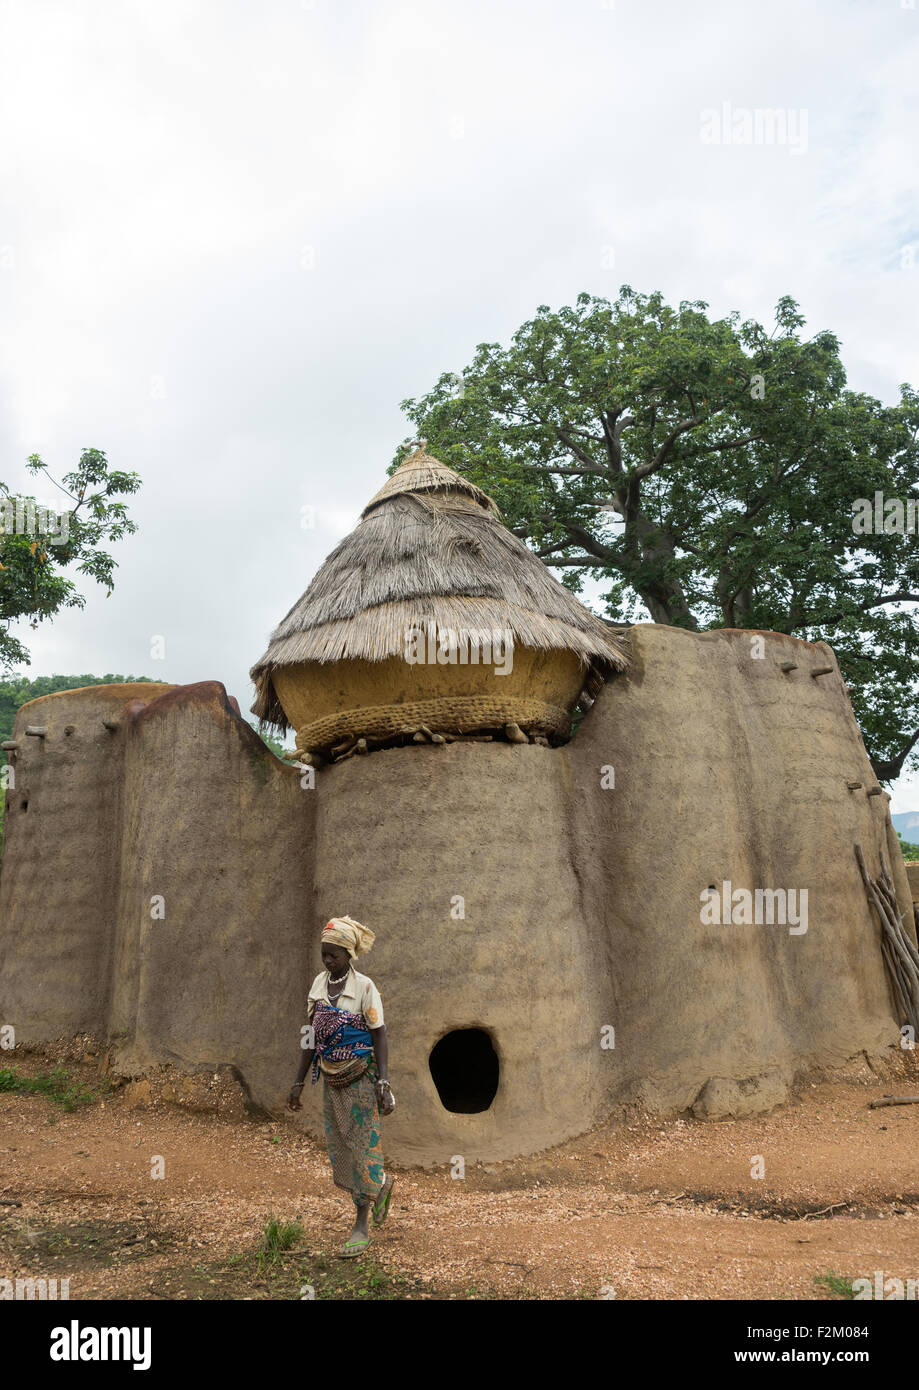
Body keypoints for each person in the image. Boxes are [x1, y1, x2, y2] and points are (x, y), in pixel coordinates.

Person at [286, 915, 396, 1257]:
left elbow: (379, 1034)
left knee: (362, 1147)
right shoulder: (318, 987)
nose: (328, 960)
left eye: (334, 955)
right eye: (325, 954)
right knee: (344, 1149)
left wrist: (383, 1080)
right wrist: (297, 1082)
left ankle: (360, 1225)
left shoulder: (364, 987)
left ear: (349, 954)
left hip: (360, 1077)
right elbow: (311, 1038)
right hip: (330, 1080)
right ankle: (380, 1185)